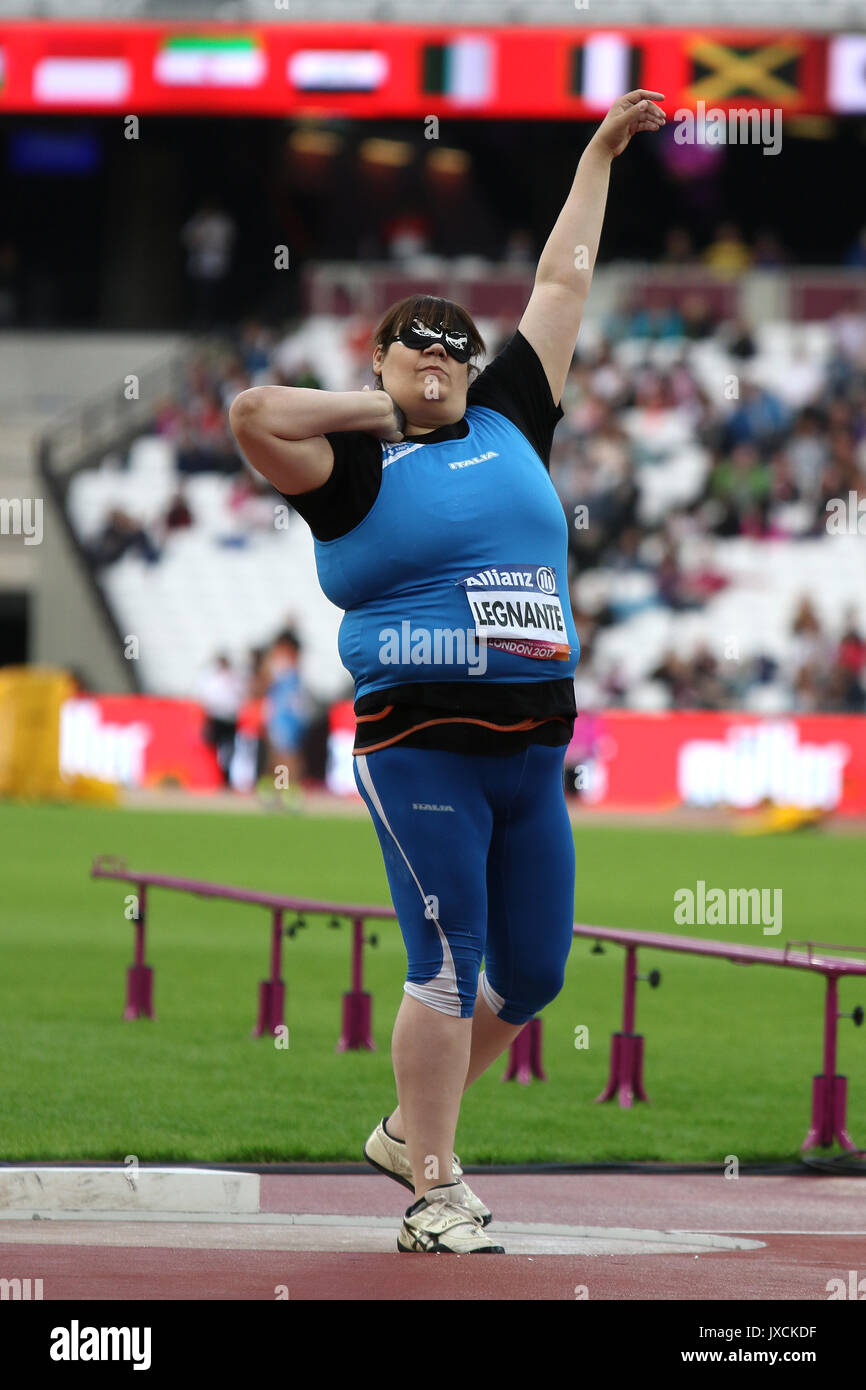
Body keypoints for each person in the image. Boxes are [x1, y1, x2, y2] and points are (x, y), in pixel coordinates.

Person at [230, 91, 666, 1254]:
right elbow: (250, 410)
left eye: (450, 342)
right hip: (417, 742)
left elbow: (563, 282)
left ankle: (404, 1129)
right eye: (410, 340)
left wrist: (593, 152)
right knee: (443, 961)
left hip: (532, 751)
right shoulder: (350, 466)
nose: (437, 351)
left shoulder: (515, 410)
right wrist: (394, 408)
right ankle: (434, 1186)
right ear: (374, 363)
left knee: (528, 979)